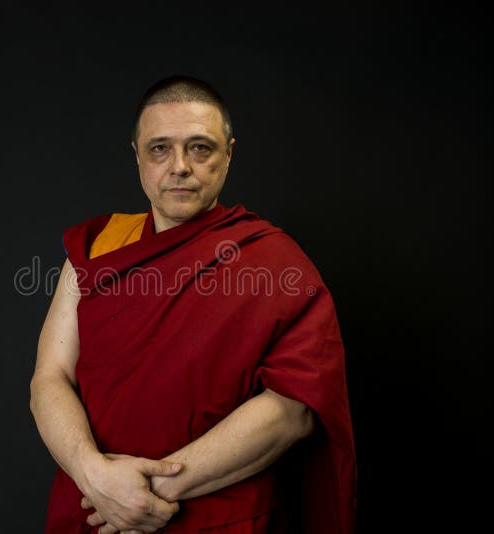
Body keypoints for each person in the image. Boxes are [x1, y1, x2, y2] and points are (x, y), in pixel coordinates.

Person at [29, 75, 357, 533]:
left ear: (229, 153)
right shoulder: (99, 246)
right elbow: (50, 376)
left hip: (218, 516)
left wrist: (147, 493)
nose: (180, 166)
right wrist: (93, 474)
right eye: (160, 149)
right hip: (94, 507)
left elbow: (293, 409)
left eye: (200, 148)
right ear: (137, 154)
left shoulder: (275, 261)